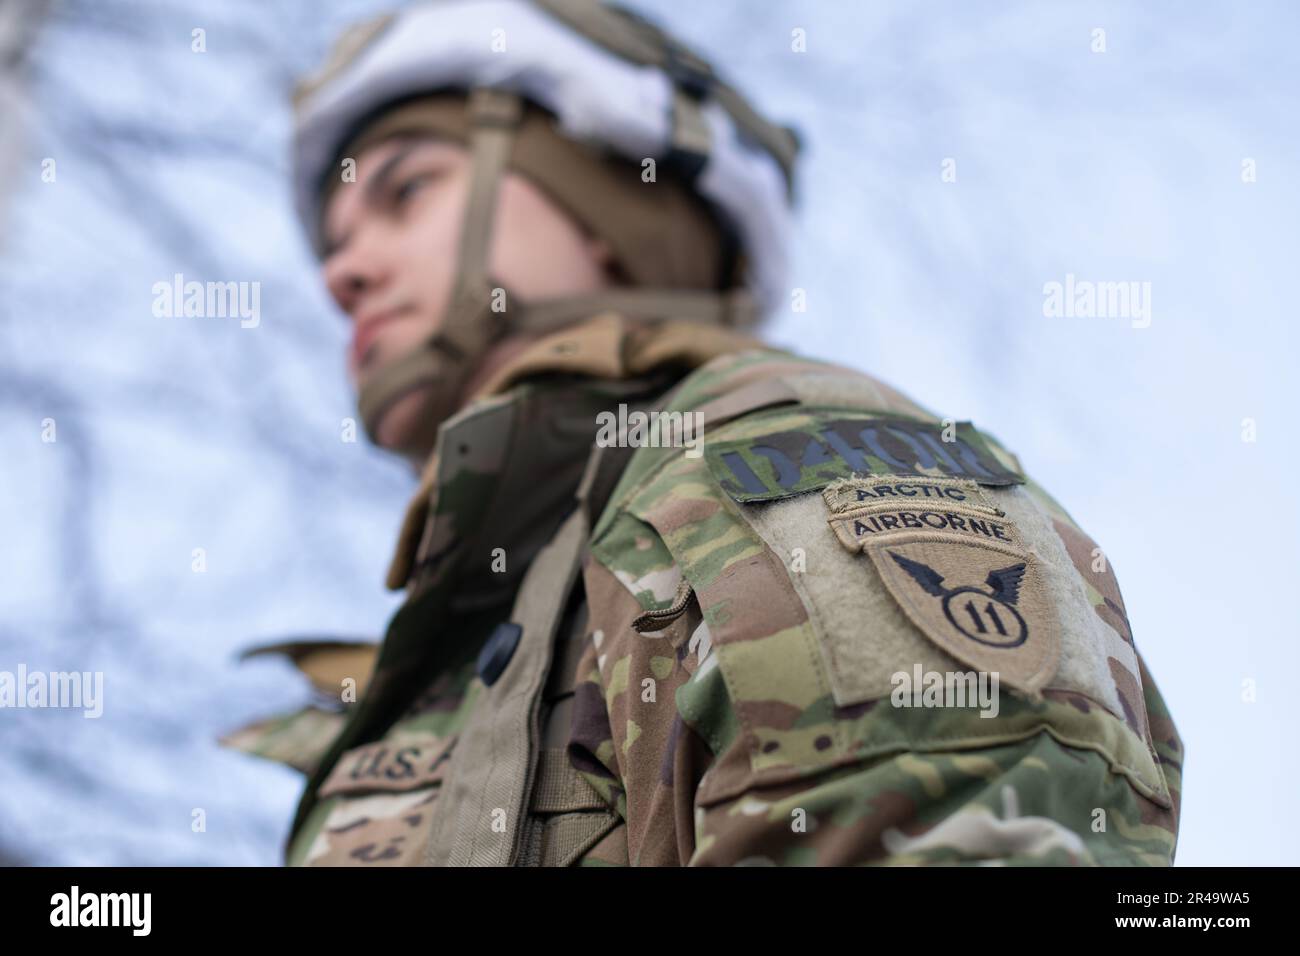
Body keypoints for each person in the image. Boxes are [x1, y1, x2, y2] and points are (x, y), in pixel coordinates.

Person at [227, 0, 1182, 866]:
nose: (341, 273)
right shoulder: (480, 626)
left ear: (613, 209)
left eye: (405, 192)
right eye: (335, 239)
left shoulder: (777, 457)